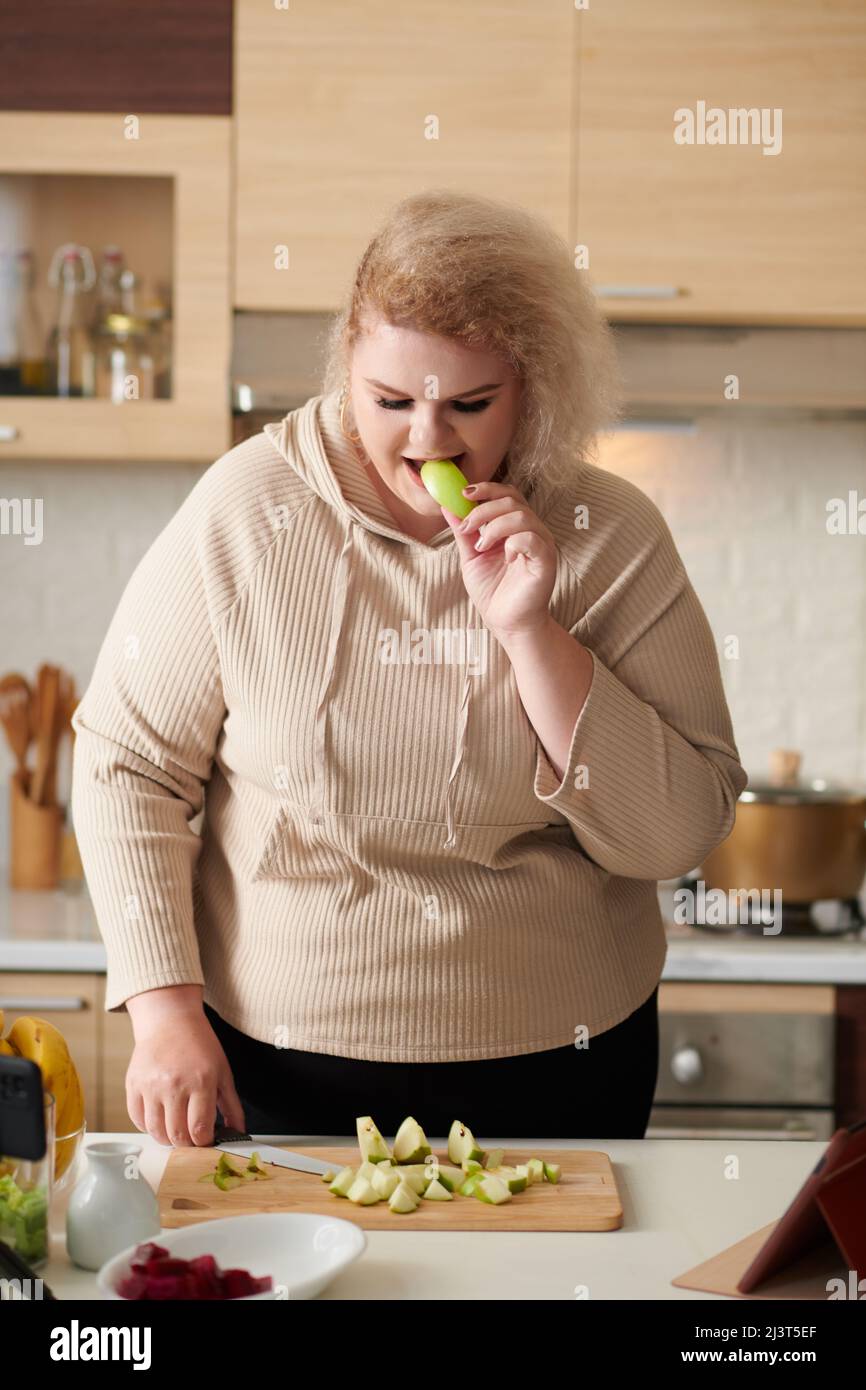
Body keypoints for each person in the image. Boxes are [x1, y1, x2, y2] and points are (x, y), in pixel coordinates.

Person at [71, 189, 747, 1147]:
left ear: (534, 388)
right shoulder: (246, 510)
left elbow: (676, 835)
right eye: (391, 401)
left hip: (564, 1066)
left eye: (471, 404)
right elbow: (125, 763)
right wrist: (165, 1010)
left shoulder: (613, 533)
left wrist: (530, 635)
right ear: (347, 365)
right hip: (277, 1065)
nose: (428, 440)